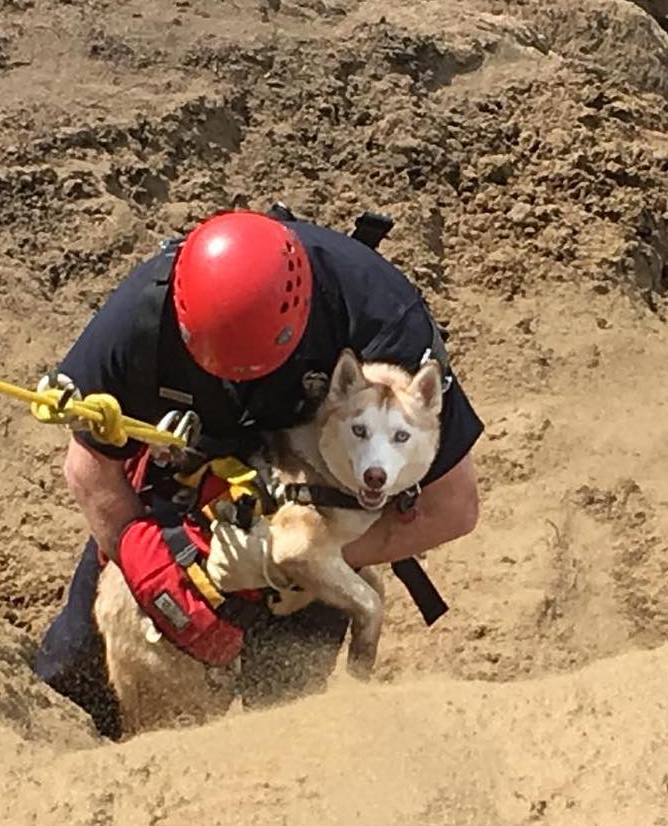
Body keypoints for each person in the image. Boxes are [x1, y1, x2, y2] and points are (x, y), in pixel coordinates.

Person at [34, 204, 484, 739]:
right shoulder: (138, 314)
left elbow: (453, 508)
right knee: (73, 669)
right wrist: (143, 560)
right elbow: (88, 467)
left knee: (286, 710)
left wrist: (293, 564)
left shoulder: (382, 318)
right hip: (184, 477)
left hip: (316, 511)